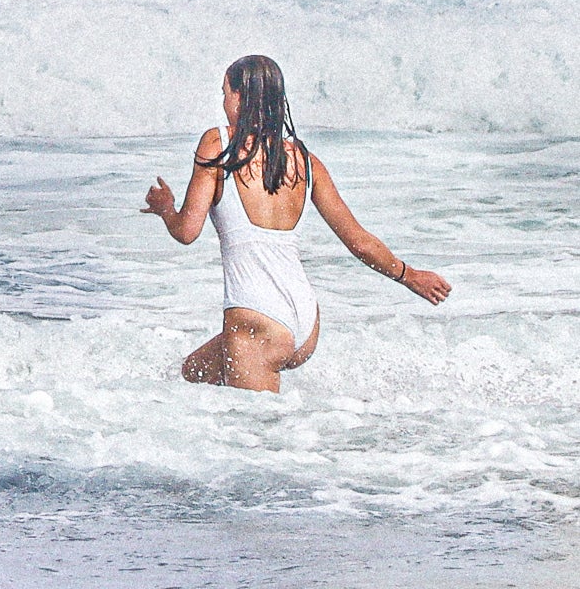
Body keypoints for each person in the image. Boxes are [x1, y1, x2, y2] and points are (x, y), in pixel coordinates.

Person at [141, 53, 451, 393]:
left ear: (240, 97)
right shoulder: (306, 161)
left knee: (257, 426)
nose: (224, 102)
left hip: (257, 318)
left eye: (225, 93)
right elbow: (359, 241)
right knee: (193, 372)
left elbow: (187, 231)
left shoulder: (218, 143)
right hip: (305, 321)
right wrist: (411, 276)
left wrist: (166, 209)